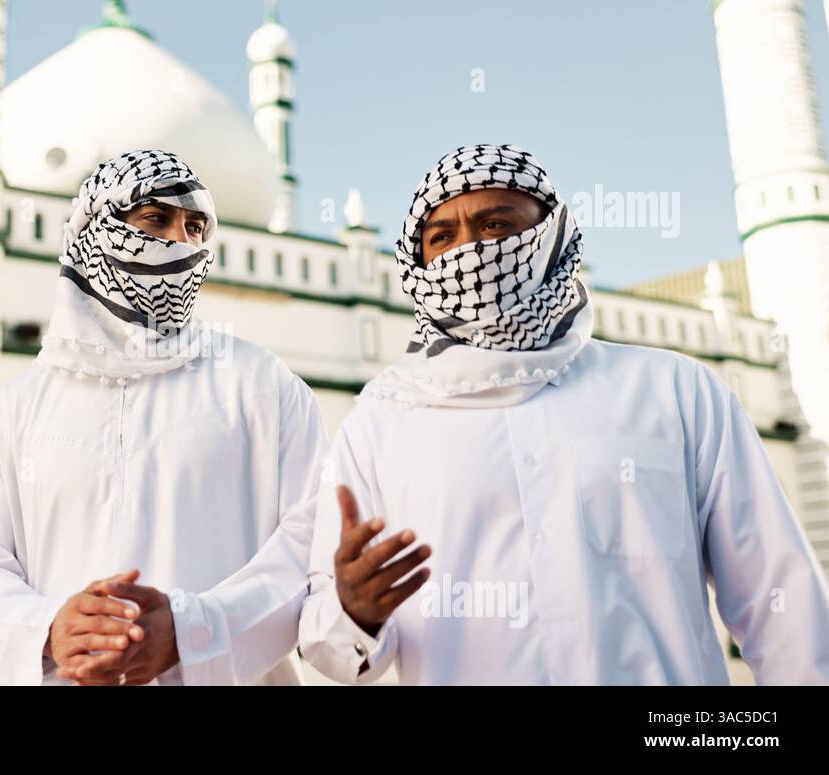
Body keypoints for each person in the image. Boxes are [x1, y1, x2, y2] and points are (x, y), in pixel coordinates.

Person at [298, 143, 829, 685]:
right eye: (442, 237)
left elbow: (780, 602)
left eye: (494, 225)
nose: (470, 252)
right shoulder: (382, 423)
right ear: (419, 263)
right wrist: (354, 609)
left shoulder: (673, 391)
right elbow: (333, 651)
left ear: (551, 236)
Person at [0, 149, 326, 685]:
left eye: (195, 227)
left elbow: (308, 544)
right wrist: (50, 627)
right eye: (154, 219)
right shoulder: (22, 405)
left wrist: (195, 633)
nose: (180, 243)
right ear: (96, 230)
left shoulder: (259, 384)